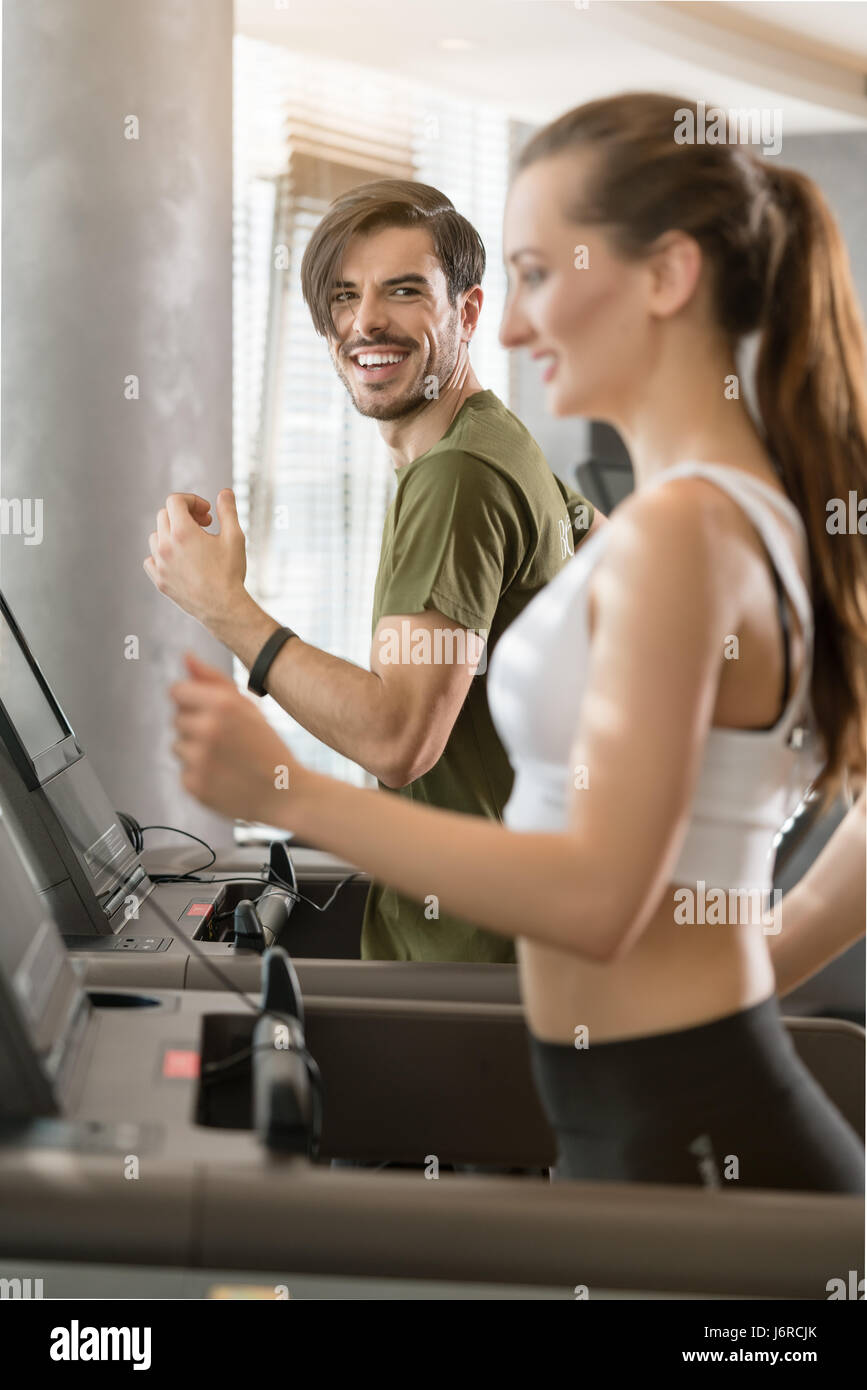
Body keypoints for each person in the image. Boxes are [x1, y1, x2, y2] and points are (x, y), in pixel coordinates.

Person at [168, 93, 866, 1193]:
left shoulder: (690, 529)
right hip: (668, 1094)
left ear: (666, 277)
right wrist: (728, 987)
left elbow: (596, 894)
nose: (517, 327)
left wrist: (294, 790)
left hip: (674, 1128)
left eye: (540, 275)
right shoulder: (726, 509)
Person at [144, 180, 599, 964]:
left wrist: (226, 609)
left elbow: (397, 739)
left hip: (467, 956)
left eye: (402, 290)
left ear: (465, 312)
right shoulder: (497, 447)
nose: (364, 322)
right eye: (343, 296)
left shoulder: (458, 476)